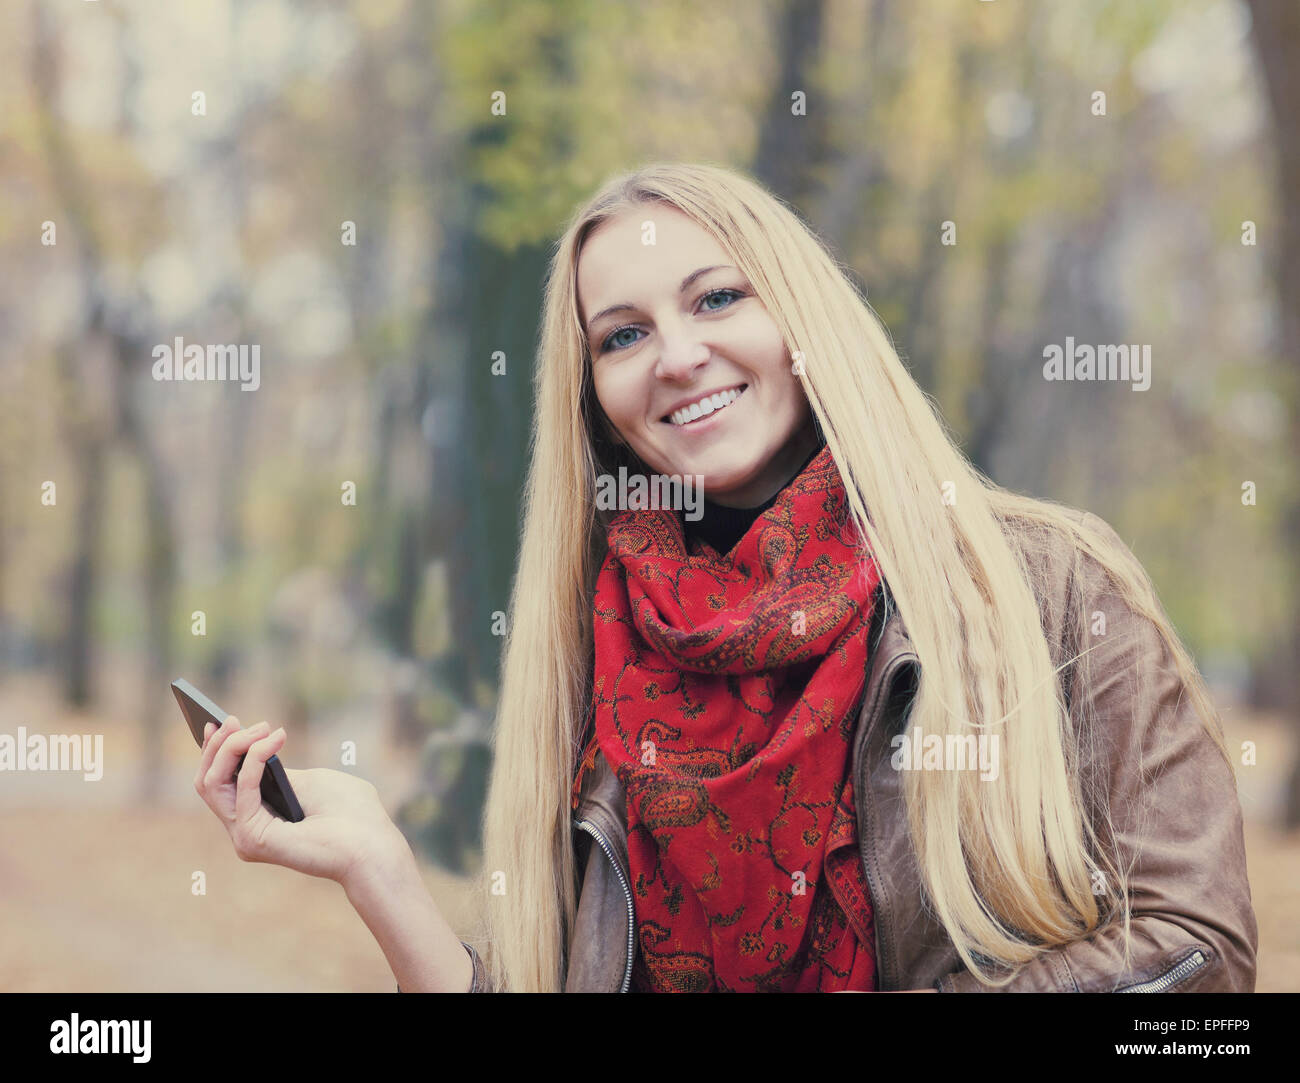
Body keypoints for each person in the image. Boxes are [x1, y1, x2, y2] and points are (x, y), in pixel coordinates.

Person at [194, 162, 1257, 994]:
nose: (676, 355)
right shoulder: (587, 653)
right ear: (595, 393)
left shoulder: (1050, 587)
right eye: (622, 335)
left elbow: (1200, 958)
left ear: (799, 322)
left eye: (715, 299)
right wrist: (376, 868)